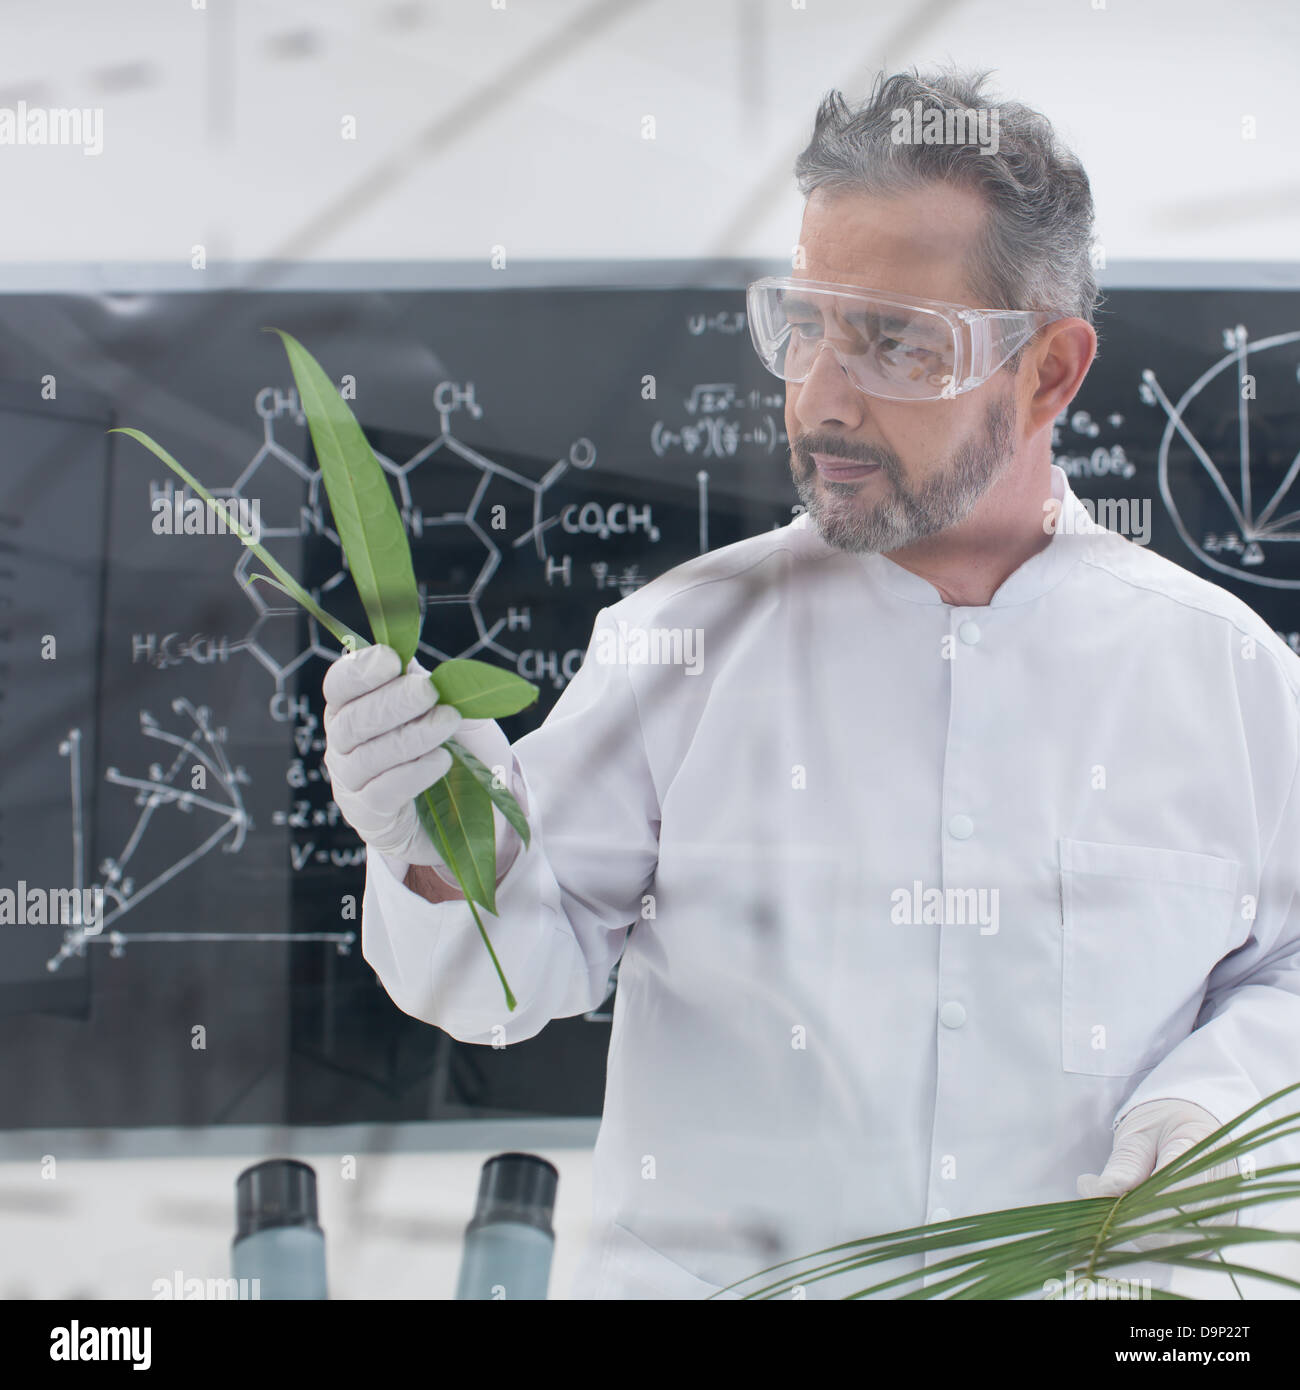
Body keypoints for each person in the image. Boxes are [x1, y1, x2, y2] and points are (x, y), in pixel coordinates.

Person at [322, 67, 1300, 1299]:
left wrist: (1221, 1095)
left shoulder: (1227, 679)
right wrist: (428, 837)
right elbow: (504, 979)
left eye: (894, 341)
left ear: (1048, 371)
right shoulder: (681, 644)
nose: (822, 399)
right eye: (806, 326)